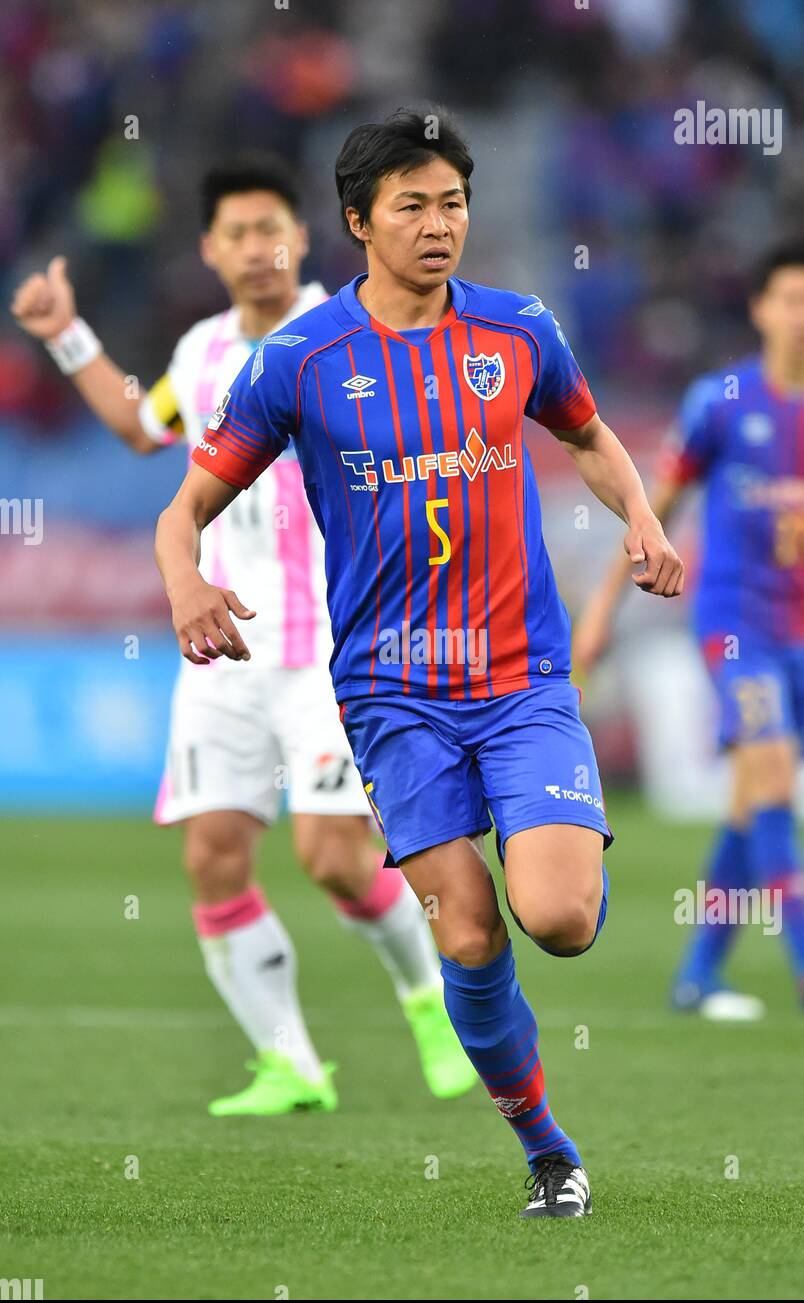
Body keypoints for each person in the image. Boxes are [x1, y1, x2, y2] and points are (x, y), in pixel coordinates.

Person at [153, 109, 683, 1218]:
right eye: (411, 206)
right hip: (392, 697)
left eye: (451, 203)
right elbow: (187, 506)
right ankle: (547, 1150)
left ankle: (559, 848)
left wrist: (640, 517)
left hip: (518, 679)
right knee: (471, 926)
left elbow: (586, 435)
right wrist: (188, 585)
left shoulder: (519, 330)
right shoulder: (297, 359)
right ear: (357, 223)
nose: (439, 225)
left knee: (559, 921)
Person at [12, 154, 477, 1114]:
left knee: (336, 856)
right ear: (210, 250)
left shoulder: (350, 335)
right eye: (236, 233)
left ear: (302, 238)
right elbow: (147, 429)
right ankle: (289, 1062)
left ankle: (433, 1003)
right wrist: (67, 337)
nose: (257, 248)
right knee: (213, 853)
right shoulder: (202, 354)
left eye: (273, 228)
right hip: (223, 642)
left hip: (337, 646)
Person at [574, 242, 804, 1021]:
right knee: (771, 773)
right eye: (789, 301)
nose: (803, 317)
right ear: (762, 310)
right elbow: (652, 511)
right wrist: (602, 613)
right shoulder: (722, 400)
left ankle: (698, 975)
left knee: (754, 797)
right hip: (732, 621)